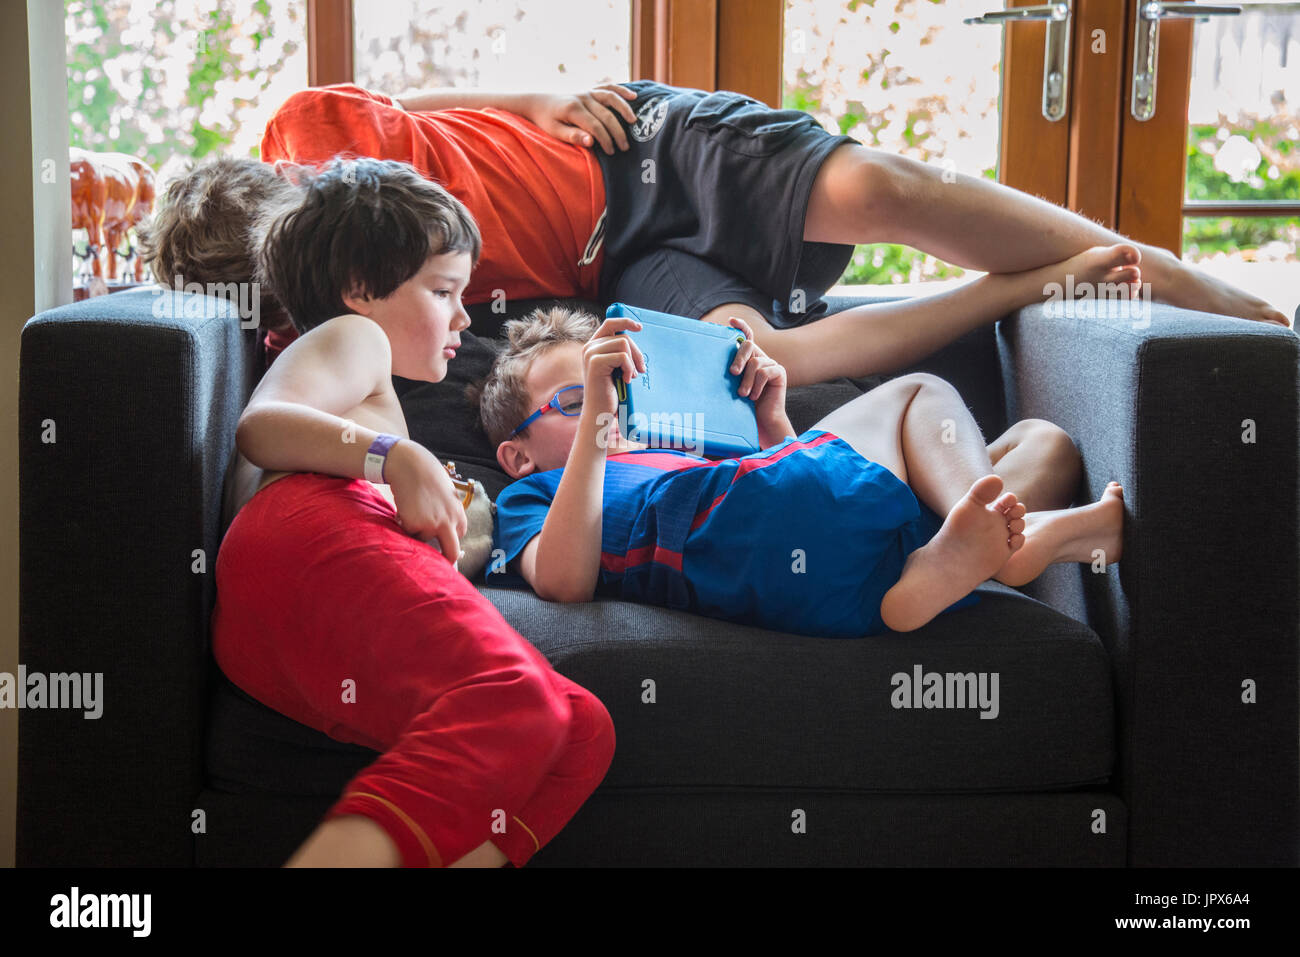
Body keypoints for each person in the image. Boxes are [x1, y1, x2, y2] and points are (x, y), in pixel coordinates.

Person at [209, 157, 615, 867]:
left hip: (282, 618)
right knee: (513, 699)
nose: (465, 317)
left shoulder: (369, 376)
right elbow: (262, 425)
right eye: (442, 290)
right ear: (360, 291)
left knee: (581, 728)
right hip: (302, 537)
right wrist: (394, 458)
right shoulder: (353, 338)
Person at [473, 251, 1128, 636]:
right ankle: (998, 545)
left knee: (1042, 442)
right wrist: (596, 429)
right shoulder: (532, 495)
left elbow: (795, 487)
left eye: (610, 383)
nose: (604, 404)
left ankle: (967, 548)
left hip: (833, 569)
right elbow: (562, 582)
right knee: (919, 393)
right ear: (517, 454)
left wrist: (769, 422)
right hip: (783, 538)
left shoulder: (679, 450)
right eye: (575, 398)